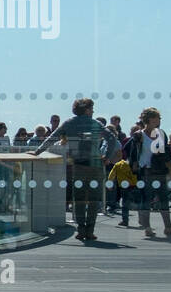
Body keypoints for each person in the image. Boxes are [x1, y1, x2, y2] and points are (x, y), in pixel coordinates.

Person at [31, 97, 118, 242]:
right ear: (87, 109)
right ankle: (90, 230)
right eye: (91, 108)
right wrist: (107, 156)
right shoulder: (95, 123)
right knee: (93, 199)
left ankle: (81, 229)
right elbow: (112, 139)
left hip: (78, 165)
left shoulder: (69, 123)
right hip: (95, 165)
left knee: (79, 199)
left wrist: (37, 152)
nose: (93, 111)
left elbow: (51, 138)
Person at [128, 106, 171, 239]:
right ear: (149, 119)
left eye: (158, 118)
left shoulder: (161, 133)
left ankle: (168, 227)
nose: (159, 120)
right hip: (145, 170)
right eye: (156, 118)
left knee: (163, 197)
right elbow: (133, 153)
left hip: (159, 170)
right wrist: (134, 167)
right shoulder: (139, 135)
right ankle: (147, 227)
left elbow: (166, 153)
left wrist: (170, 168)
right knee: (146, 198)